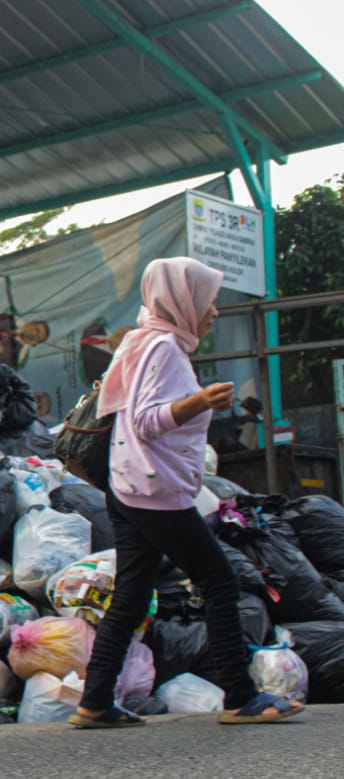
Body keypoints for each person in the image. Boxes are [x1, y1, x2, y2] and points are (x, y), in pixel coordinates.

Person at [69, 256, 304, 728]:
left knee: (132, 594)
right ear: (182, 301)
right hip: (154, 490)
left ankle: (95, 701)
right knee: (219, 581)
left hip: (127, 483)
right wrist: (201, 400)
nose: (213, 311)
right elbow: (146, 420)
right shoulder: (163, 349)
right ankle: (239, 696)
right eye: (209, 301)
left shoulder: (140, 340)